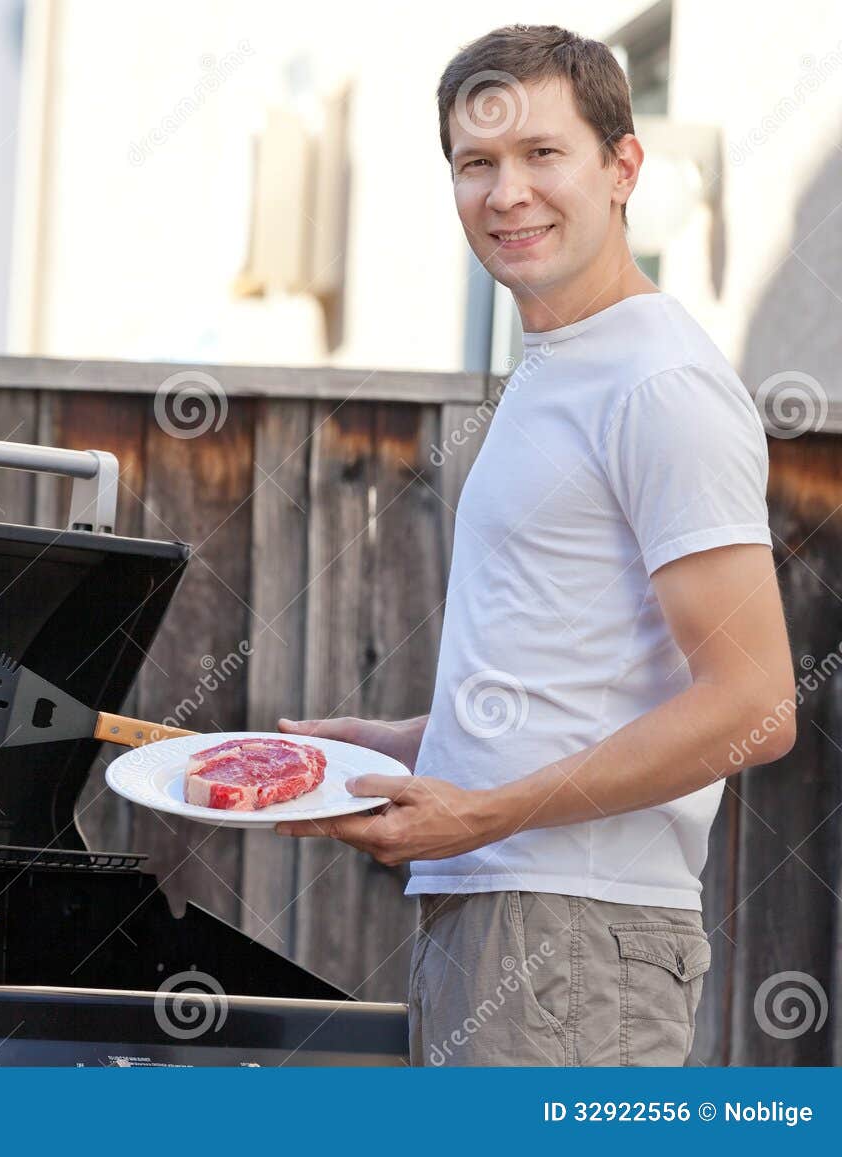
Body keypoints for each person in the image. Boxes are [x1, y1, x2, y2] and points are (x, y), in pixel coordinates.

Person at [276, 24, 795, 1067]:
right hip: (509, 922)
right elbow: (585, 681)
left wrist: (485, 812)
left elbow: (755, 704)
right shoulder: (565, 366)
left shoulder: (658, 382)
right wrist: (403, 743)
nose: (506, 192)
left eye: (541, 154)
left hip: (571, 940)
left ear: (622, 167)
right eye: (477, 163)